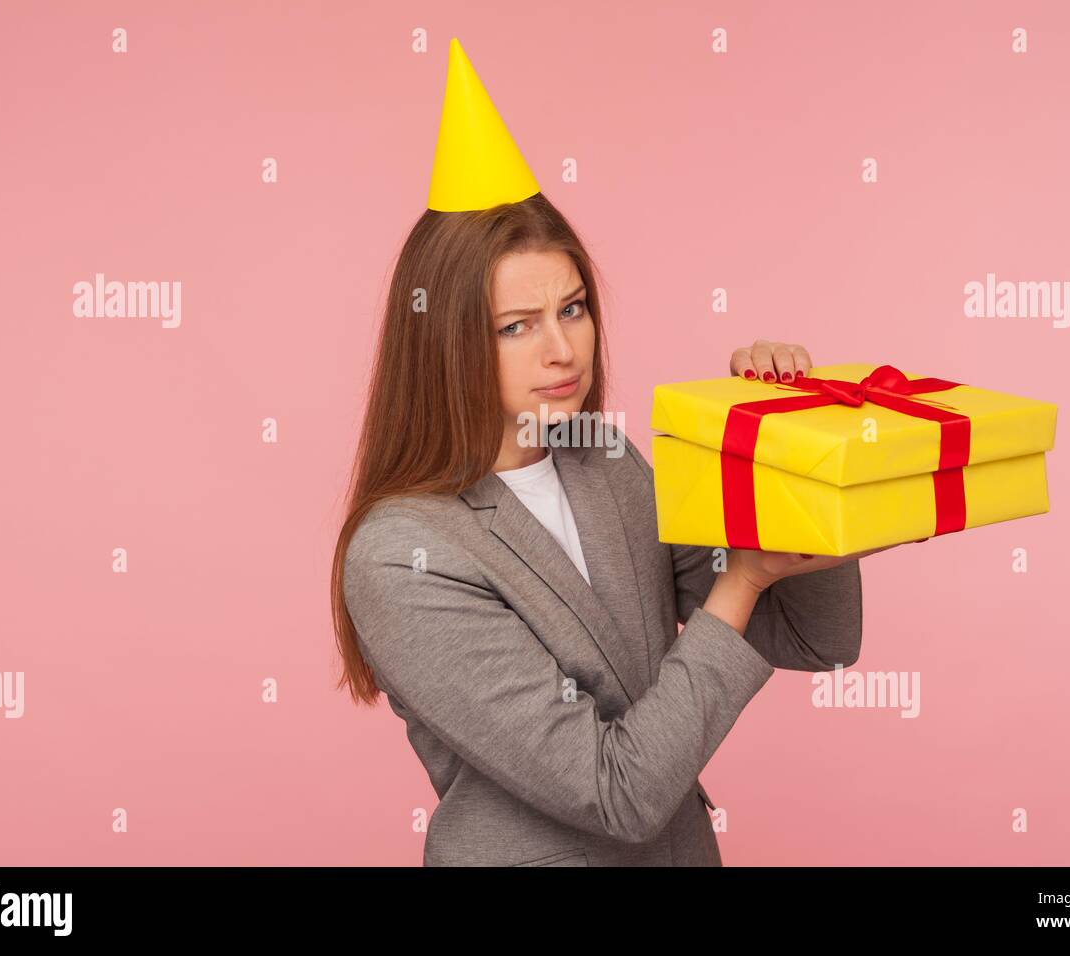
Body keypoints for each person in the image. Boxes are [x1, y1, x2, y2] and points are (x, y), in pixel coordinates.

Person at [331, 38, 902, 866]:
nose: (562, 351)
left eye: (573, 308)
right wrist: (739, 583)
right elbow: (618, 791)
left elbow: (808, 638)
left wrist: (782, 442)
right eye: (515, 327)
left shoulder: (603, 458)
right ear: (444, 345)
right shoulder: (401, 556)